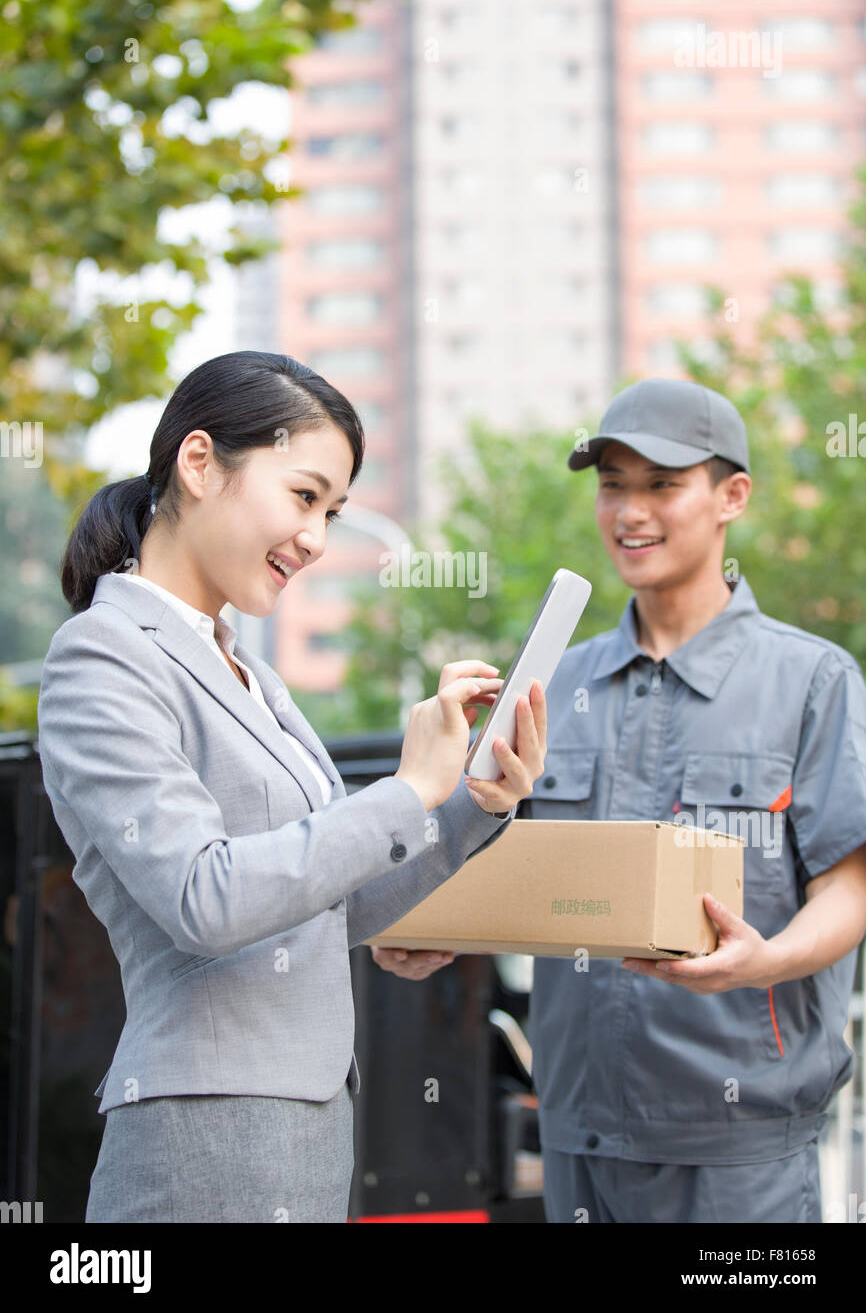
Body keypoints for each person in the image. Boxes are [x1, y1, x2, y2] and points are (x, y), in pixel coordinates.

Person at [37, 349, 547, 1223]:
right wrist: (405, 791)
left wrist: (472, 803)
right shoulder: (102, 655)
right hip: (203, 1143)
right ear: (199, 464)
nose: (317, 537)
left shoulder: (249, 673)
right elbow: (204, 899)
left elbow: (331, 903)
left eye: (334, 511)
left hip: (306, 1137)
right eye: (304, 496)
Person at [372, 376, 866, 1224]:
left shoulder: (812, 682)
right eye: (613, 486)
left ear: (731, 497)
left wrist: (767, 961)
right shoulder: (556, 683)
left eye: (662, 484)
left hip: (736, 1149)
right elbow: (500, 871)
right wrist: (431, 933)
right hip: (576, 1133)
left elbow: (851, 888)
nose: (630, 511)